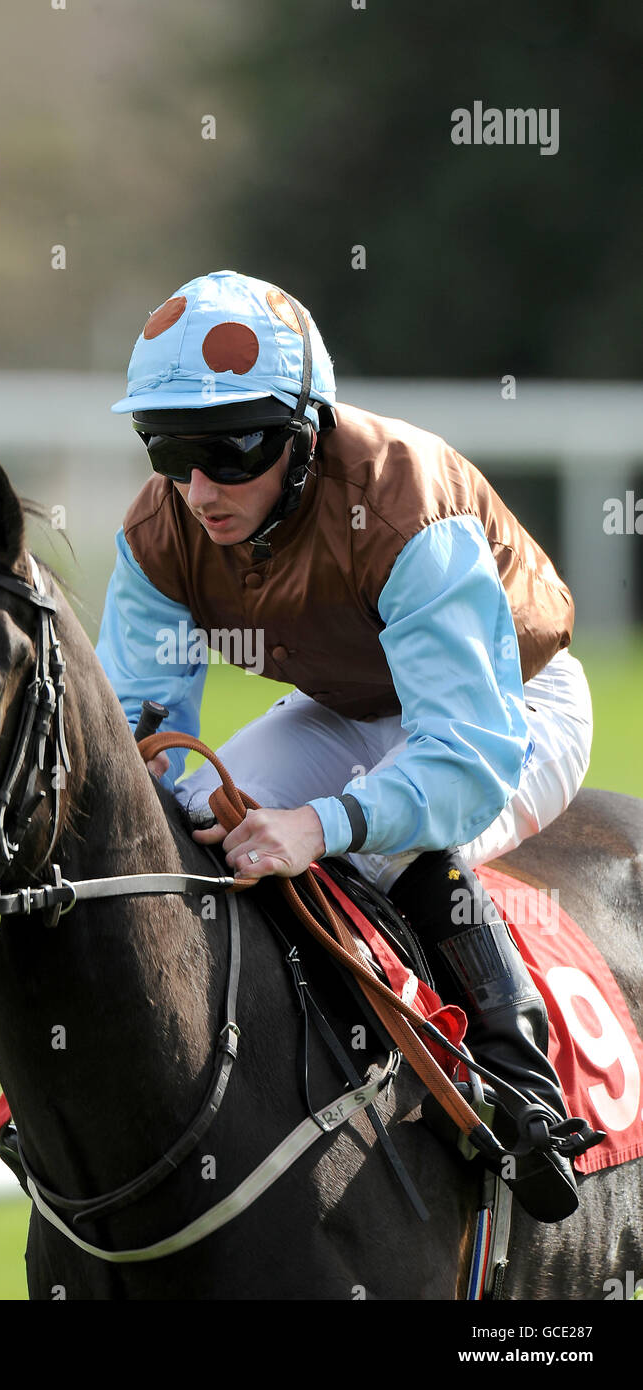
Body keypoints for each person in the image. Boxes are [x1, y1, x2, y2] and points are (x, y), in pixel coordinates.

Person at [95, 269, 595, 1221]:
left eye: (231, 449)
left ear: (304, 430)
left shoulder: (406, 500)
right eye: (167, 449)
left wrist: (318, 826)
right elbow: (144, 738)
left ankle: (523, 1090)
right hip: (347, 703)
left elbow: (462, 760)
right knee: (196, 823)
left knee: (376, 843)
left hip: (508, 710)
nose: (199, 488)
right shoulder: (160, 530)